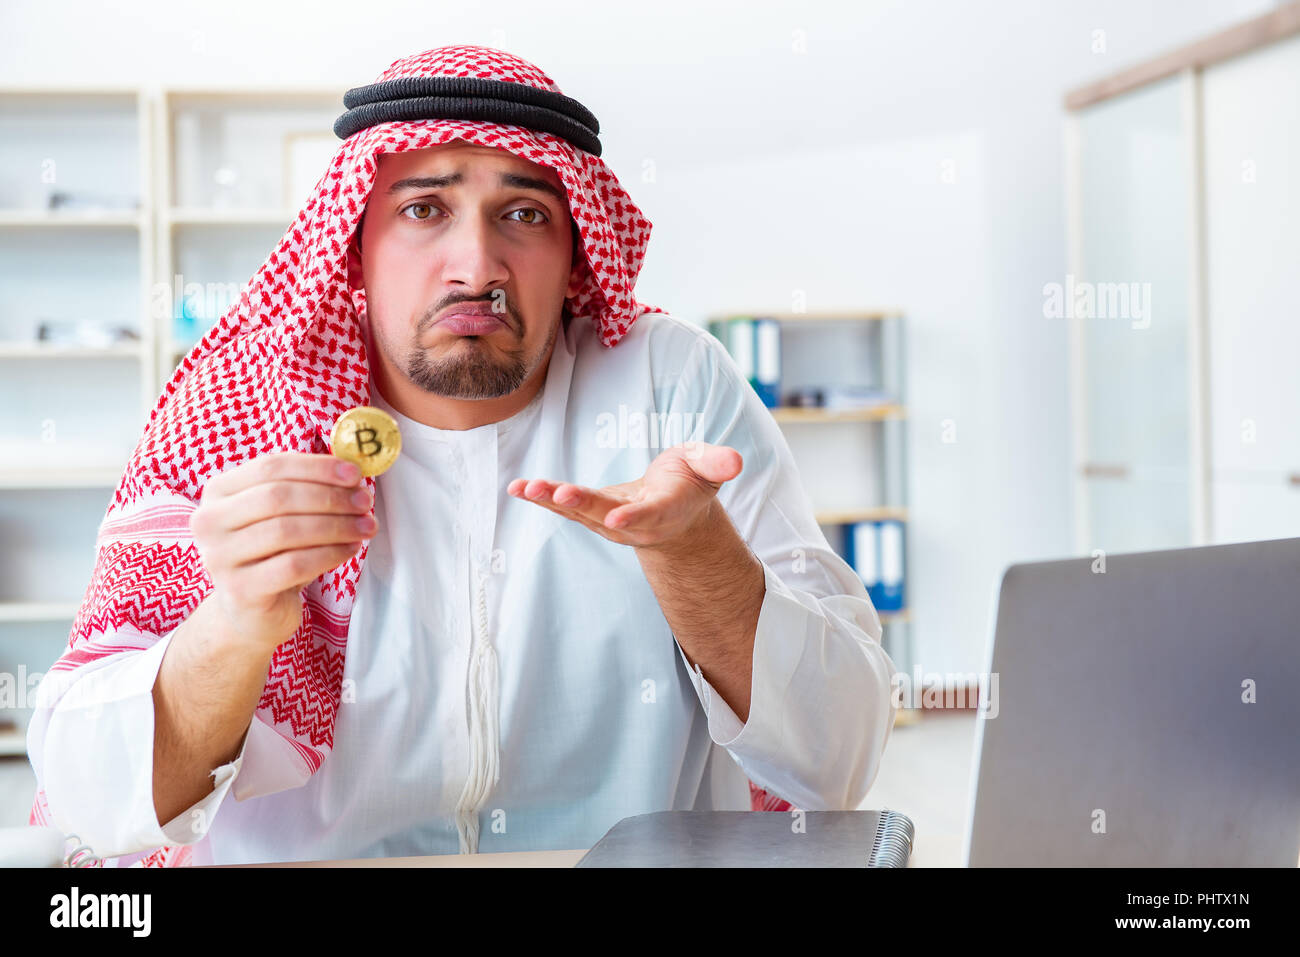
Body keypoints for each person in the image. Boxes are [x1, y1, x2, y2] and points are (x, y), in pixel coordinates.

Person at [25, 45, 897, 866]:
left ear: (577, 250)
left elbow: (837, 761)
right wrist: (241, 619)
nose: (475, 264)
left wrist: (695, 553)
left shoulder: (667, 388)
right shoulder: (241, 405)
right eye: (423, 209)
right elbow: (90, 798)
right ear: (355, 245)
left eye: (523, 213)